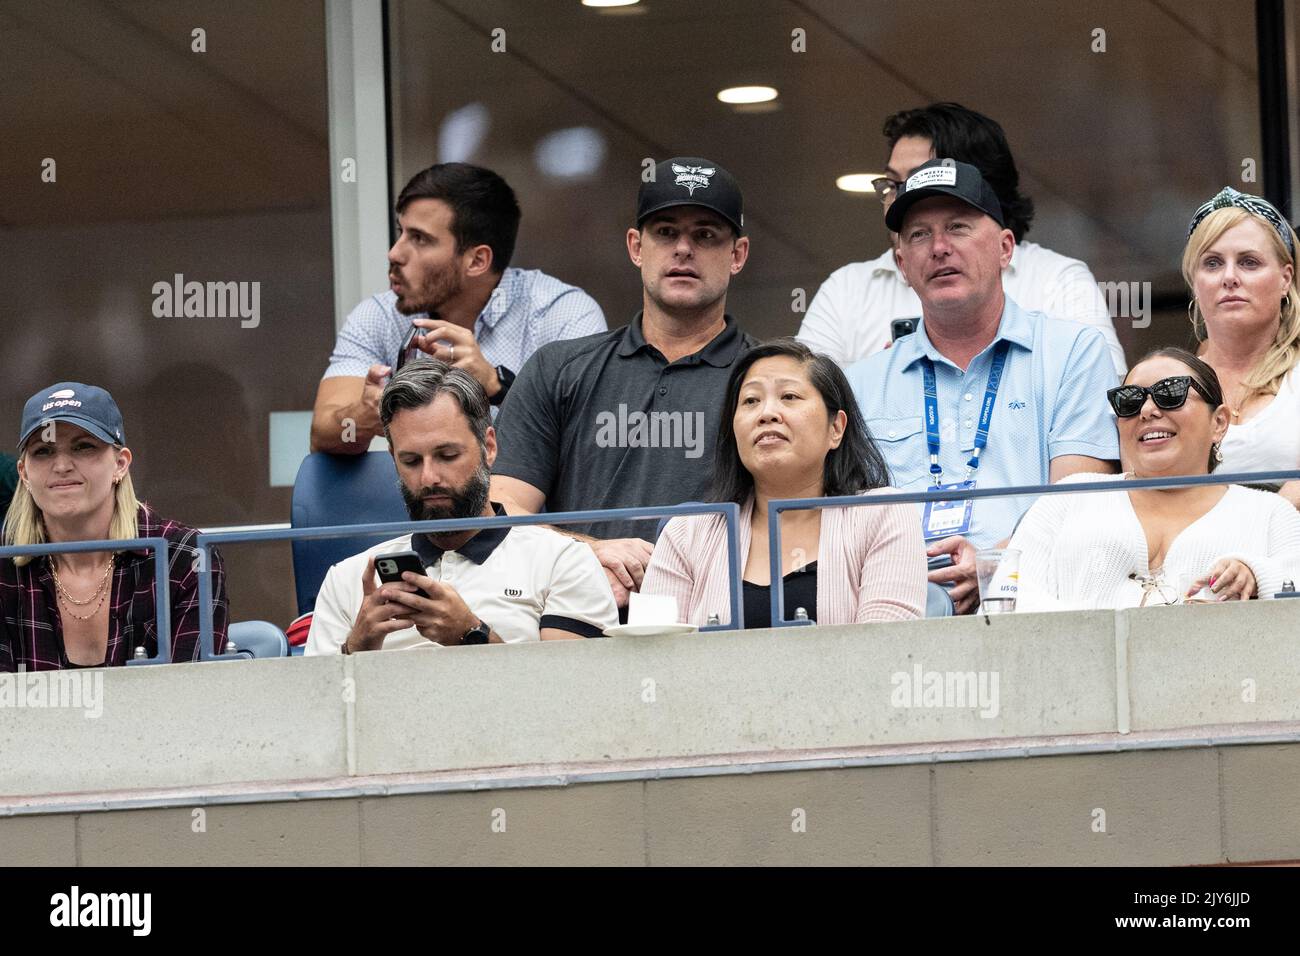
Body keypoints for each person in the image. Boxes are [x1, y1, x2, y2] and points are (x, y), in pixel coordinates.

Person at [846, 159, 1120, 614]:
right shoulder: (859, 384)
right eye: (918, 235)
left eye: (958, 227)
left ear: (1005, 248)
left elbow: (1080, 503)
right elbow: (844, 527)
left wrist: (997, 565)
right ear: (902, 264)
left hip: (1037, 611)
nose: (939, 248)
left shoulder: (1072, 352)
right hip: (895, 620)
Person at [490, 156, 758, 608]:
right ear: (636, 246)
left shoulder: (772, 379)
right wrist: (588, 550)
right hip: (574, 623)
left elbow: (803, 524)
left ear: (737, 255)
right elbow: (502, 510)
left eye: (706, 235)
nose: (683, 249)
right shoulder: (557, 368)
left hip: (721, 621)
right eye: (666, 232)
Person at [306, 360, 617, 654]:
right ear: (393, 458)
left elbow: (573, 698)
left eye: (447, 455)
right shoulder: (348, 579)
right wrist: (356, 648)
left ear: (489, 447)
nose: (429, 478)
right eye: (411, 461)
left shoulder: (563, 562)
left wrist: (471, 635)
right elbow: (314, 707)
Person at [798, 102, 1125, 375]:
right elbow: (802, 408)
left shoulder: (1058, 282)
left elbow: (1105, 401)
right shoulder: (845, 291)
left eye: (918, 182)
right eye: (891, 185)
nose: (896, 202)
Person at [311, 162, 607, 454]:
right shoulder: (380, 315)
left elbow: (586, 441)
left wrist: (497, 387)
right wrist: (365, 415)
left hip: (526, 502)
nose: (395, 253)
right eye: (401, 231)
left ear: (477, 261)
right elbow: (322, 432)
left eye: (420, 239)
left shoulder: (562, 313)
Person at [641, 339, 926, 627]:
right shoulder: (685, 534)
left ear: (836, 428)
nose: (767, 413)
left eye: (789, 396)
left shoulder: (883, 513)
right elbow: (658, 660)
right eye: (751, 401)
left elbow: (886, 651)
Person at [1009, 349, 1300, 610]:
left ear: (1219, 422)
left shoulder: (1271, 514)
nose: (1147, 410)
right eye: (1130, 401)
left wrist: (1256, 575)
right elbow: (1009, 597)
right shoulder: (1068, 497)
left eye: (1171, 393)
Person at [1, 383, 228, 670]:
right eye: (43, 451)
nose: (61, 465)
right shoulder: (4, 567)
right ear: (24, 473)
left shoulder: (185, 557)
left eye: (83, 446)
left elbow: (195, 698)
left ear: (120, 464)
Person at [1183, 186, 1300, 505]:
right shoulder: (1165, 384)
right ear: (1195, 283)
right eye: (1212, 263)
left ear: (1285, 278)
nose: (1229, 277)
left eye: (1249, 262)